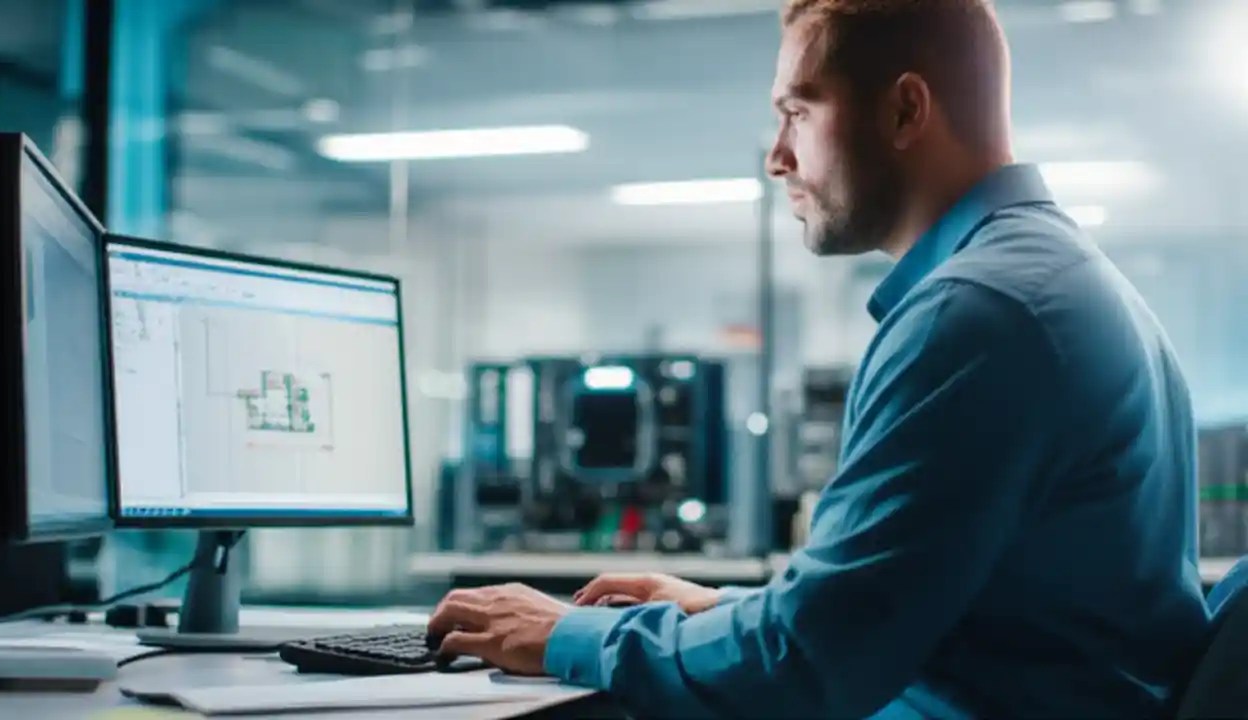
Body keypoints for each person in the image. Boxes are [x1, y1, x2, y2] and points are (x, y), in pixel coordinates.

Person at [428, 0, 1212, 716]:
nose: (777, 157)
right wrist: (726, 615)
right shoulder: (1059, 279)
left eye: (797, 112)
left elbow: (806, 665)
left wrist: (566, 635)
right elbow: (916, 614)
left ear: (906, 109)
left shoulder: (977, 312)